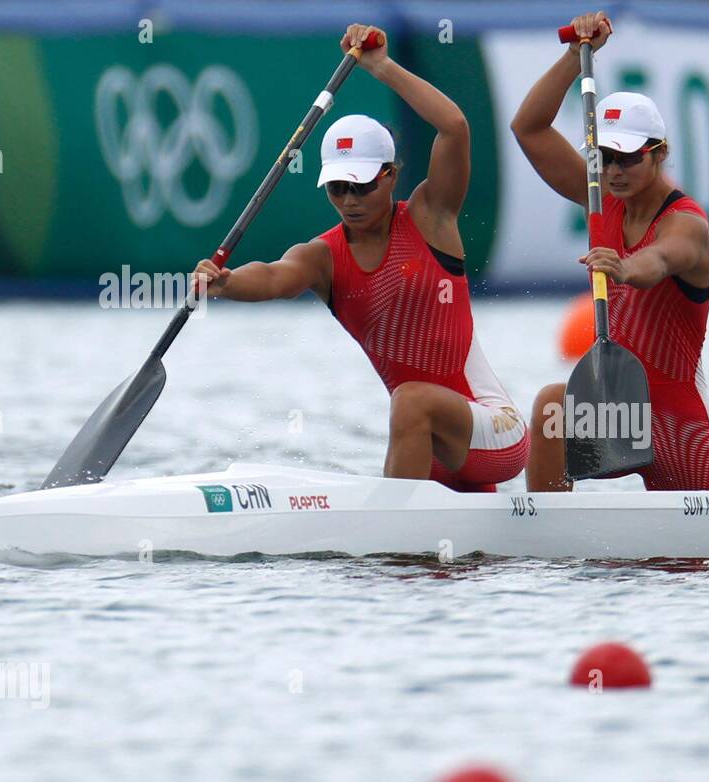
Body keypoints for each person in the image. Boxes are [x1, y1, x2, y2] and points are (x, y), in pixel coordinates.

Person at [191, 24, 527, 492]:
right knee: (432, 563)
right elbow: (271, 277)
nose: (350, 200)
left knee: (409, 400)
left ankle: (389, 537)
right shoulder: (322, 257)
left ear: (391, 176)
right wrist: (224, 283)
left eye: (362, 185)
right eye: (337, 187)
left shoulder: (432, 216)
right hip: (429, 449)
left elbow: (454, 126)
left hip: (495, 434)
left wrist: (382, 67)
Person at [510, 11, 709, 492]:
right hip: (618, 410)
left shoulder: (687, 224)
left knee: (691, 565)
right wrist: (573, 56)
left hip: (676, 425)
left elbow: (662, 260)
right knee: (551, 406)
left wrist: (625, 268)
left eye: (628, 157)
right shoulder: (599, 197)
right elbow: (529, 128)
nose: (614, 169)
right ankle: (551, 537)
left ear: (660, 153)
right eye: (603, 156)